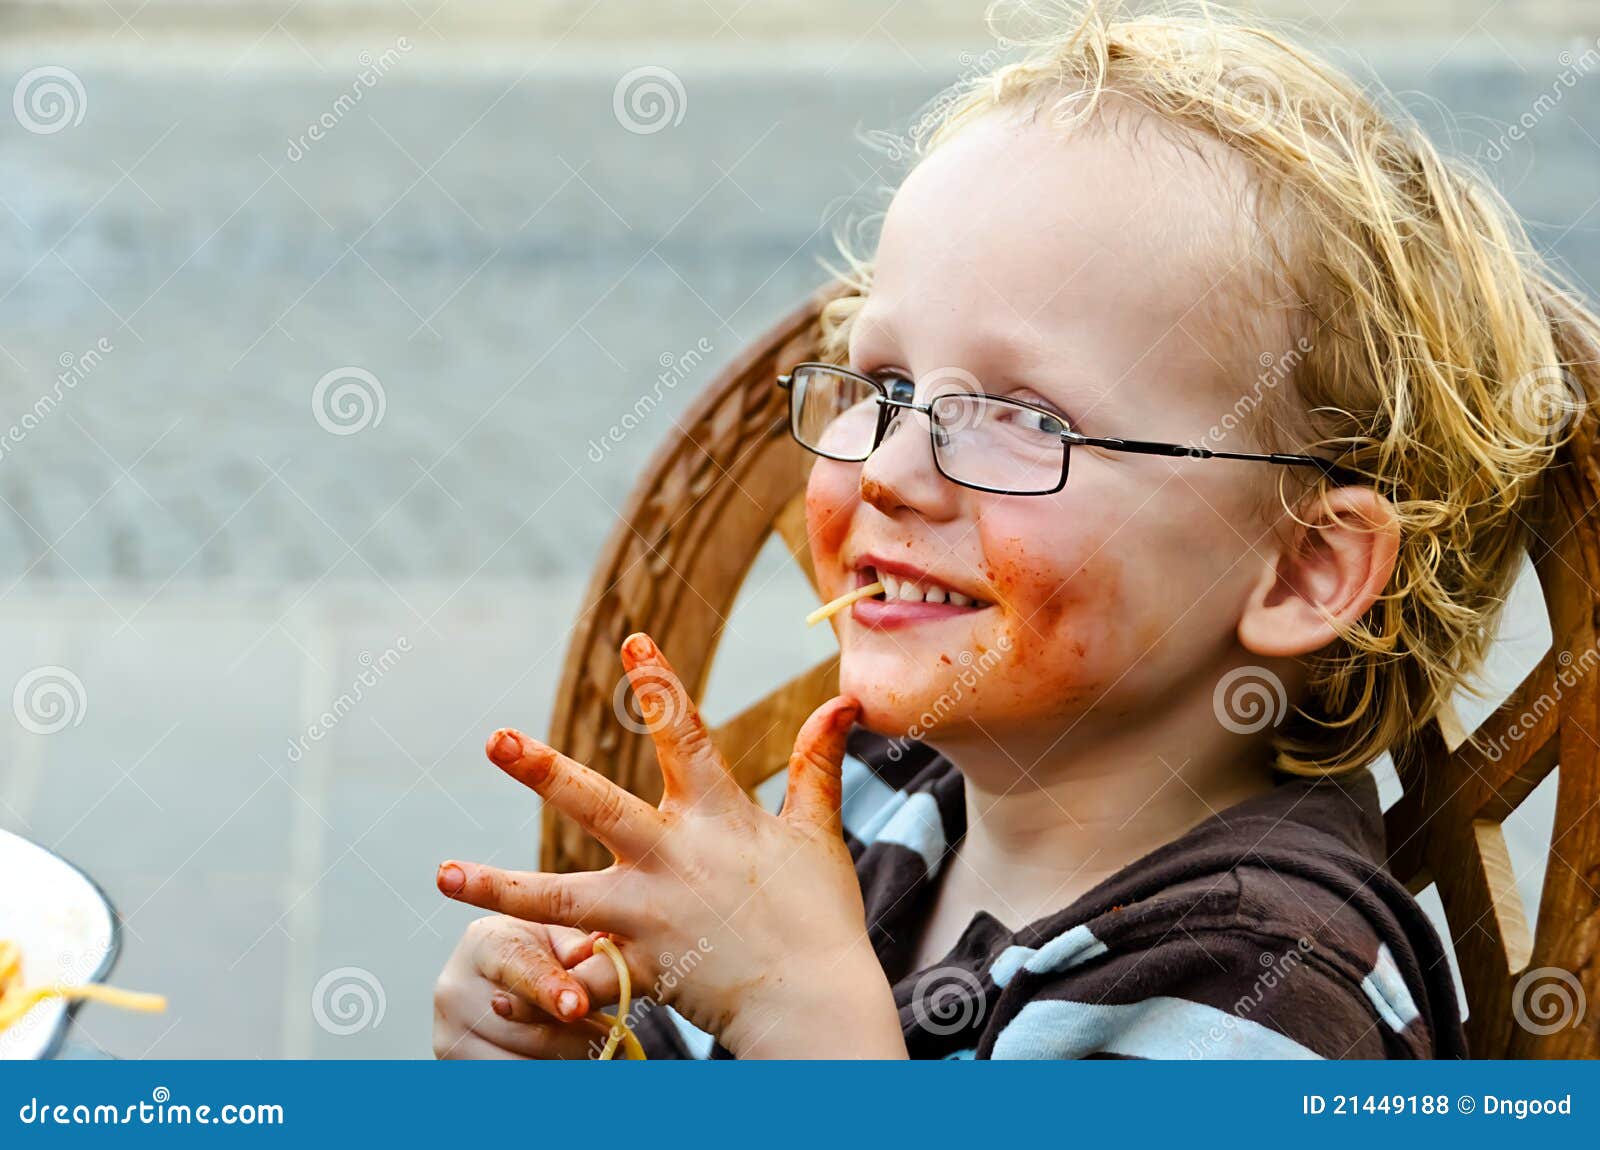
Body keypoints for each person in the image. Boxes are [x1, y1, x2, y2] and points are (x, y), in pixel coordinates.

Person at [430, 0, 1599, 1058]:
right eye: (882, 387)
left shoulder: (1268, 994)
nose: (888, 471)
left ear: (1303, 567)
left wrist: (805, 1012)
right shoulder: (888, 795)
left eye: (1022, 419)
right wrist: (603, 1056)